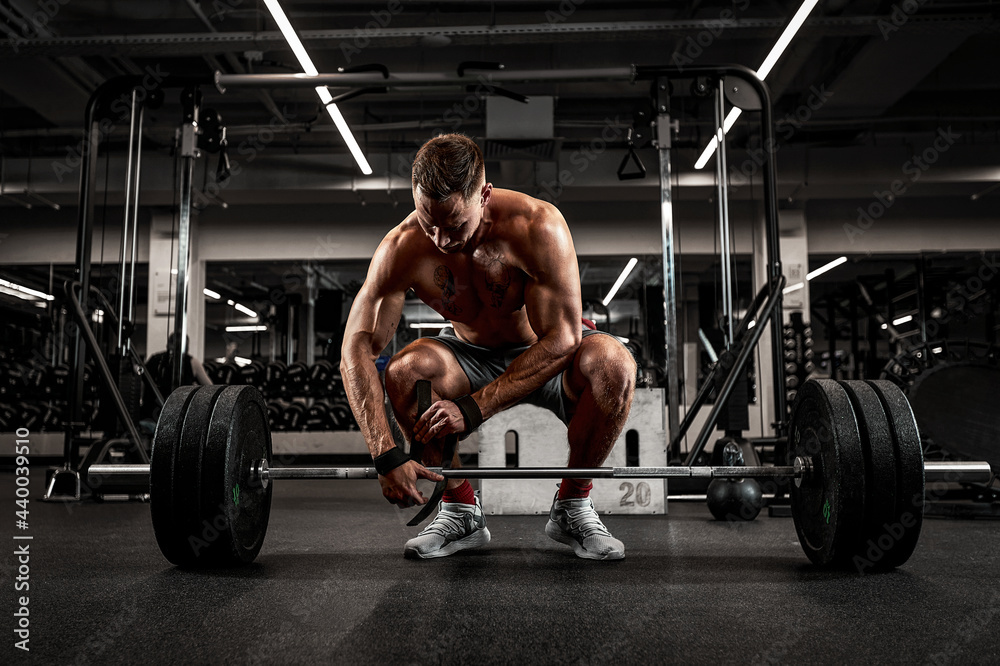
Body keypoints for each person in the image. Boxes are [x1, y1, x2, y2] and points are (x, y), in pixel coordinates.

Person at [341, 134, 636, 561]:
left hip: (545, 352)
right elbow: (356, 349)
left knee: (614, 364)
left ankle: (573, 505)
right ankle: (460, 510)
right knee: (405, 372)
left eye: (454, 225)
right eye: (429, 223)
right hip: (468, 354)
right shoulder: (402, 247)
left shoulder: (537, 226)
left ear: (484, 195)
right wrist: (384, 454)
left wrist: (473, 408)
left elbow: (563, 339)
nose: (441, 240)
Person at [143, 332, 212, 419]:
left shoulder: (155, 359)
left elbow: (209, 388)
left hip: (159, 413)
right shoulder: (191, 362)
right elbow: (210, 388)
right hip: (160, 413)